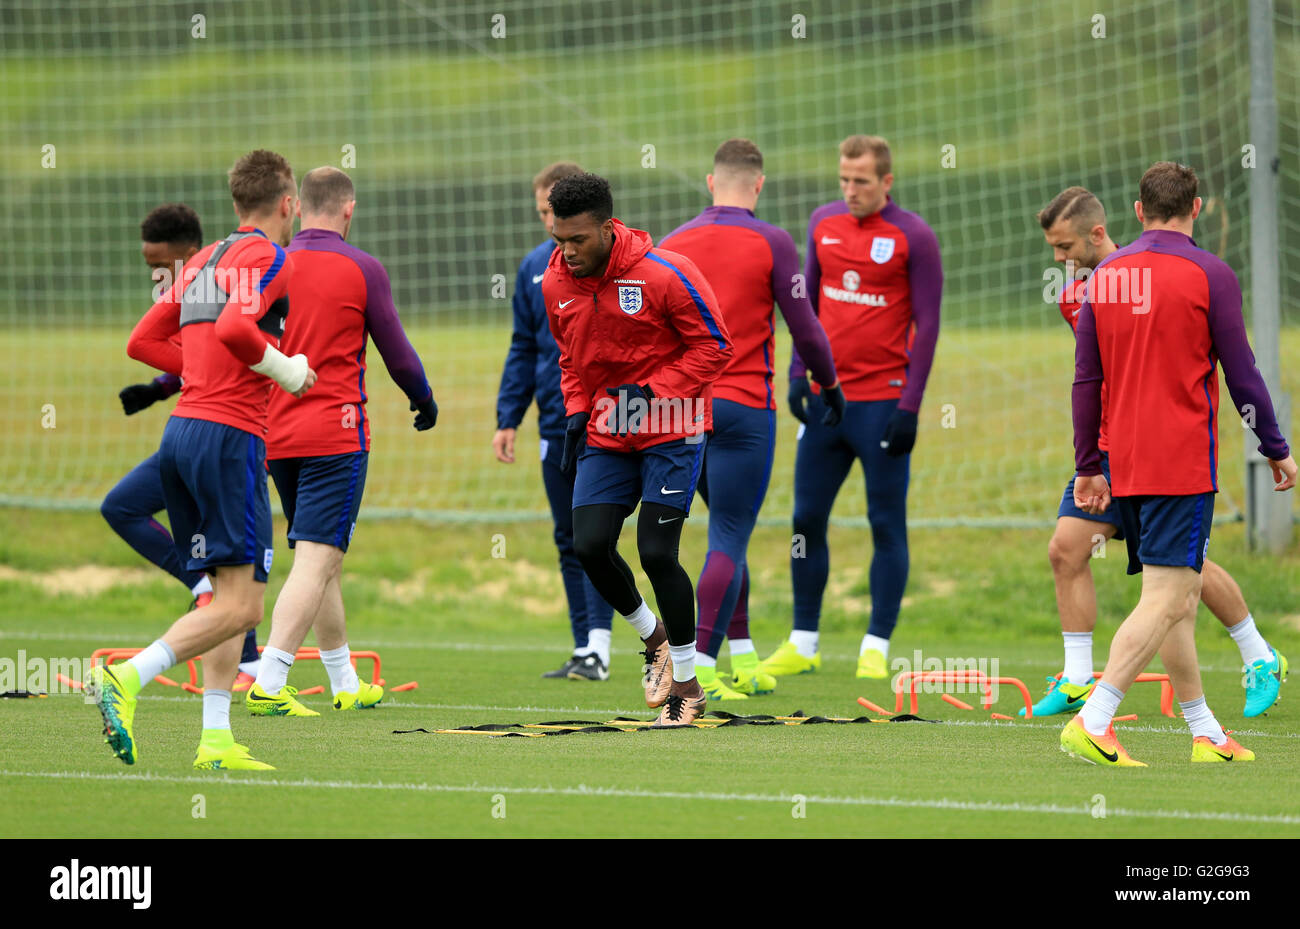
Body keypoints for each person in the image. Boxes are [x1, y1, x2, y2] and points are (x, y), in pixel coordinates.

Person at [1063, 162, 1296, 766]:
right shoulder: (1210, 272)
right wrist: (1275, 446)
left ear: (1137, 212)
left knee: (1180, 598)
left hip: (1125, 462)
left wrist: (1090, 462)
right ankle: (1095, 719)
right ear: (1198, 208)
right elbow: (1241, 373)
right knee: (1168, 596)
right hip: (1181, 462)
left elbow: (1087, 380)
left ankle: (1205, 733)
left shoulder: (1106, 274)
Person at [88, 149, 314, 770]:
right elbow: (241, 332)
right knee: (243, 607)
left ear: (237, 203)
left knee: (220, 594)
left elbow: (142, 341)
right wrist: (288, 371)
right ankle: (127, 677)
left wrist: (205, 374)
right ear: (287, 203)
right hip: (228, 438)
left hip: (181, 433)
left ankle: (216, 741)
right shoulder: (272, 257)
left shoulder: (207, 258)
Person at [246, 166, 437, 716]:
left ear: (299, 207)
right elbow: (397, 353)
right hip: (336, 435)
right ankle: (271, 678)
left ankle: (345, 682)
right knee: (317, 557)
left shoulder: (272, 265)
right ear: (349, 209)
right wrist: (423, 400)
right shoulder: (363, 268)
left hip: (275, 433)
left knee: (320, 554)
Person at [543, 172, 732, 727]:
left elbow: (715, 347)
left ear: (607, 228)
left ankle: (688, 688)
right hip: (607, 429)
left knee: (655, 552)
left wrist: (651, 391)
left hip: (672, 426)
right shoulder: (555, 283)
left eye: (578, 240)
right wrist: (576, 409)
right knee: (589, 544)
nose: (568, 252)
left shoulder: (665, 273)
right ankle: (656, 642)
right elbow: (570, 360)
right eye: (559, 241)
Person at [660, 138, 842, 700]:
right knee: (729, 537)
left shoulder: (672, 244)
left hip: (681, 408)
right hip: (744, 408)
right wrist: (828, 383)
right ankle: (703, 671)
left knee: (721, 533)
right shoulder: (772, 241)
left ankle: (742, 657)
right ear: (757, 185)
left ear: (711, 182)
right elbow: (805, 325)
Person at [760, 134, 942, 680]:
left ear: (886, 181)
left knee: (885, 522)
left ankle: (875, 645)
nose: (851, 189)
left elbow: (928, 326)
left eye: (861, 180)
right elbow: (804, 305)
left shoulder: (914, 236)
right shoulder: (823, 224)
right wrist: (797, 374)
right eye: (844, 179)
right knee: (805, 519)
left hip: (884, 404)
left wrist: (910, 406)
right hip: (826, 402)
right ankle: (803, 640)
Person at [104, 204, 260, 689]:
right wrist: (159, 388)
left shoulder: (227, 279)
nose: (155, 275)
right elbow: (197, 356)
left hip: (238, 433)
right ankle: (204, 592)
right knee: (123, 506)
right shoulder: (191, 286)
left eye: (161, 266)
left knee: (235, 555)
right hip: (195, 429)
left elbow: (230, 351)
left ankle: (252, 666)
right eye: (149, 266)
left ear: (191, 256)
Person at [494, 162, 615, 682]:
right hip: (553, 424)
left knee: (596, 536)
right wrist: (508, 417)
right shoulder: (532, 270)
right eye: (543, 211)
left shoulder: (607, 266)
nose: (550, 223)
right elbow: (524, 347)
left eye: (557, 212)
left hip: (602, 421)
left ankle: (604, 645)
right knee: (567, 537)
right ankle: (584, 644)